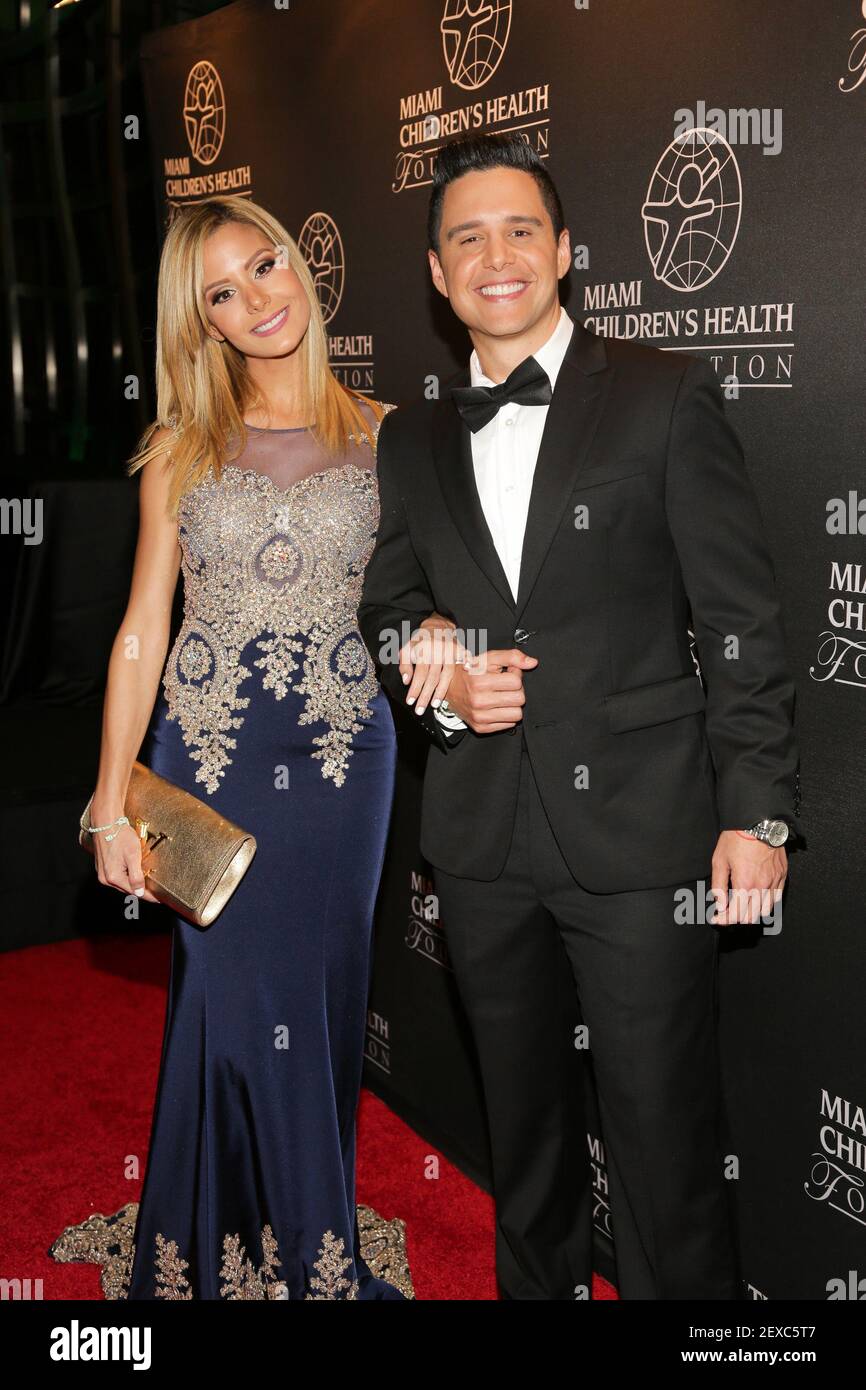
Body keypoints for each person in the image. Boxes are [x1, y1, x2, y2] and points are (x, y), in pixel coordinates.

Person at [358, 132, 802, 1300]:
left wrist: (756, 814)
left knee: (663, 1152)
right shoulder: (409, 439)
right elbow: (389, 605)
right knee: (527, 1137)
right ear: (437, 273)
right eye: (466, 239)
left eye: (518, 230)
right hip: (481, 844)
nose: (493, 256)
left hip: (646, 843)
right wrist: (437, 672)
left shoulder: (662, 395)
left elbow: (741, 620)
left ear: (561, 251)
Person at [73, 194, 411, 1300]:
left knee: (315, 1005)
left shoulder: (388, 432)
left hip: (336, 757)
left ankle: (308, 1254)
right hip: (206, 755)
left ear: (299, 266)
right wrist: (110, 801)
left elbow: (415, 604)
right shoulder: (182, 445)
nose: (258, 299)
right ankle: (218, 1247)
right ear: (203, 321)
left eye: (264, 266)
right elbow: (140, 630)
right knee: (226, 1008)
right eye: (223, 290)